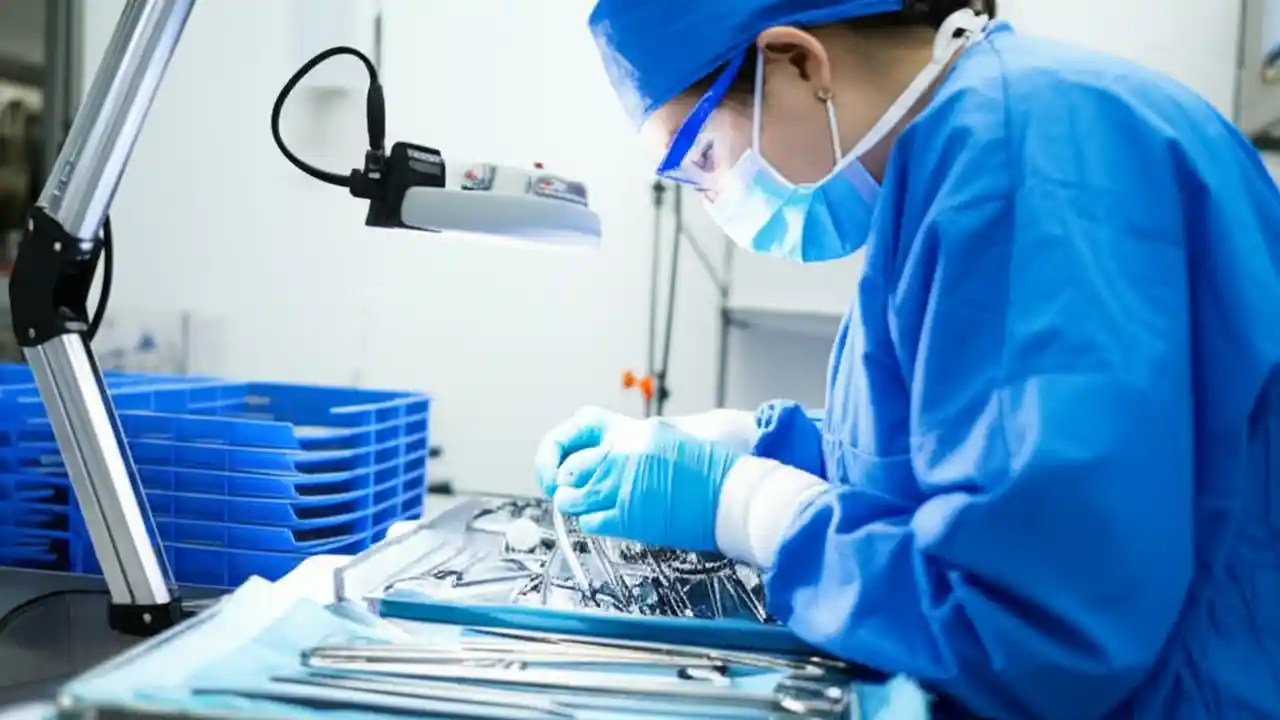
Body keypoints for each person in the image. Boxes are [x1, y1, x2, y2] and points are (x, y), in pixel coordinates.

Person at [534, 0, 1280, 717]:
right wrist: (750, 444)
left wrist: (752, 506)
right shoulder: (961, 151)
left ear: (797, 61)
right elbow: (962, 452)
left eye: (704, 157)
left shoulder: (1021, 158)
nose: (716, 196)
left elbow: (1030, 625)